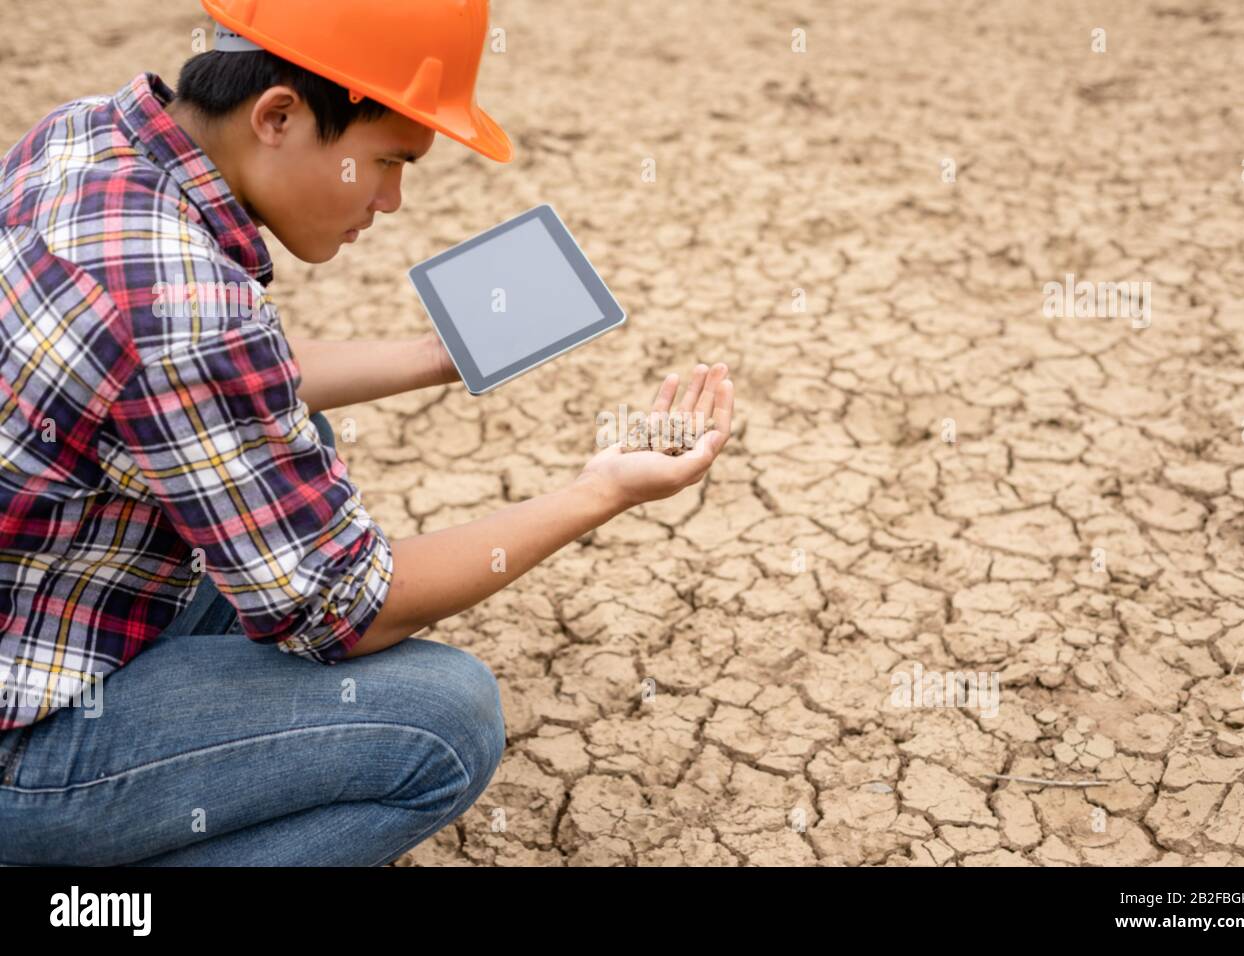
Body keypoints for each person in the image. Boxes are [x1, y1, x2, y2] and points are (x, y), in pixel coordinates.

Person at [0, 0, 734, 866]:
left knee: (296, 435)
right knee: (445, 720)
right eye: (386, 161)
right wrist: (599, 490)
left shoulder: (87, 136)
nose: (390, 199)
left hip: (40, 598)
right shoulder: (189, 307)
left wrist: (438, 355)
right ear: (277, 115)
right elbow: (345, 611)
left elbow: (201, 373)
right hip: (28, 743)